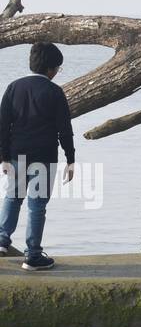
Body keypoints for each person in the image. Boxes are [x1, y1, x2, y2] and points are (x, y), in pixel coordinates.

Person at [0, 42, 76, 270]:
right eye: (58, 69)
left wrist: (3, 157)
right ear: (52, 69)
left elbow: (3, 126)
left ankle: (2, 240)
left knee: (12, 198)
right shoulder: (55, 92)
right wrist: (71, 159)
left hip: (16, 155)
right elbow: (65, 129)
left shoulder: (14, 87)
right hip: (44, 157)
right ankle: (32, 255)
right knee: (37, 207)